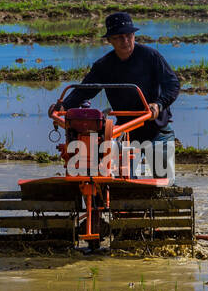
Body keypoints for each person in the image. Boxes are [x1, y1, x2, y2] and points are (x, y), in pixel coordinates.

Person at [51, 12, 180, 172]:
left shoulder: (150, 57)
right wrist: (64, 106)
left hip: (156, 128)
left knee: (163, 183)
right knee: (121, 183)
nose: (125, 41)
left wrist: (158, 105)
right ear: (110, 40)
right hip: (126, 131)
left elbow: (172, 84)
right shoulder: (104, 65)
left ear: (134, 35)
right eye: (119, 37)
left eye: (128, 35)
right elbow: (84, 91)